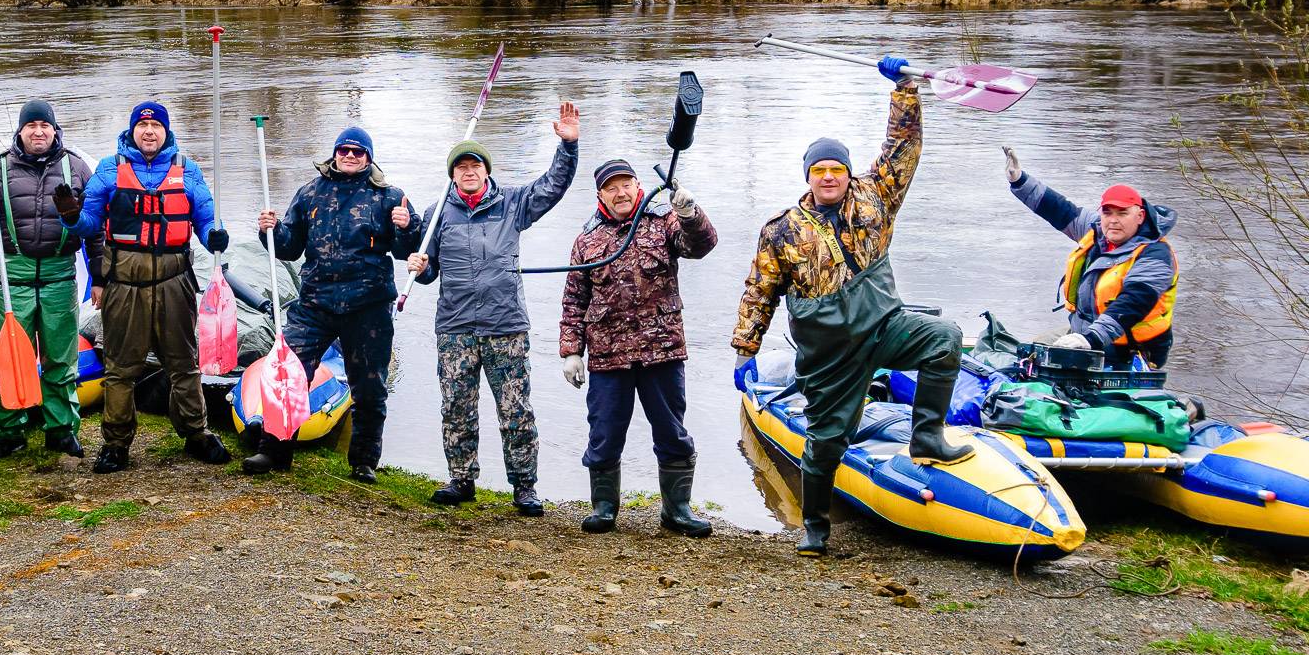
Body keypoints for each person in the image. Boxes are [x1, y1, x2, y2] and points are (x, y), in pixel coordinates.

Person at [731, 58, 973, 557]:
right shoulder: (780, 230)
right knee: (824, 443)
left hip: (884, 326)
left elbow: (903, 148)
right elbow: (760, 289)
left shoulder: (875, 197)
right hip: (830, 353)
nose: (828, 177)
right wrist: (745, 347)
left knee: (945, 339)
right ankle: (815, 526)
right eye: (818, 170)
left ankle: (926, 436)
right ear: (808, 176)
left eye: (835, 169)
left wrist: (905, 89)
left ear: (846, 172)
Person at [406, 102, 579, 516]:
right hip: (455, 328)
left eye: (475, 165)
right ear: (453, 174)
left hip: (506, 326)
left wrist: (568, 147)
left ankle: (524, 486)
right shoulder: (436, 215)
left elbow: (554, 185)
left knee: (515, 409)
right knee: (456, 408)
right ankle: (461, 480)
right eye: (461, 166)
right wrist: (420, 265)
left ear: (486, 170)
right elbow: (427, 275)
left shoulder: (513, 204)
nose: (469, 172)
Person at [251, 126, 422, 480]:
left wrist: (406, 227)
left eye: (357, 152)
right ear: (334, 153)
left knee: (370, 387)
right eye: (343, 150)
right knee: (287, 373)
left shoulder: (391, 197)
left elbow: (410, 253)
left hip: (369, 307)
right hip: (315, 304)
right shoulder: (310, 193)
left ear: (368, 158)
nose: (349, 156)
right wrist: (270, 230)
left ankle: (362, 462)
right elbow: (287, 248)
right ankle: (274, 451)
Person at [558, 159, 718, 536]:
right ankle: (604, 508)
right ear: (600, 195)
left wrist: (690, 213)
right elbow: (573, 299)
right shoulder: (586, 240)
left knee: (671, 430)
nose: (621, 193)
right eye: (611, 188)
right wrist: (570, 351)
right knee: (604, 432)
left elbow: (702, 245)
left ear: (638, 186)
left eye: (626, 184)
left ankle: (676, 510)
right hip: (607, 356)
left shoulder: (663, 223)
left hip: (661, 350)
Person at [75, 100, 231, 473]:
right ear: (132, 131)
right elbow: (86, 224)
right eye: (142, 126)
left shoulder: (187, 171)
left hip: (174, 282)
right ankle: (115, 444)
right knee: (121, 369)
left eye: (156, 126)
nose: (149, 132)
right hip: (124, 285)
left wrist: (216, 235)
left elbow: (207, 219)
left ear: (166, 131)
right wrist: (69, 215)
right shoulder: (110, 169)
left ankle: (196, 433)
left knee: (183, 364)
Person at [0, 101, 105, 460]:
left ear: (55, 130)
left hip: (59, 274)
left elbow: (96, 229)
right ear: (20, 131)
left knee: (60, 358)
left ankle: (61, 430)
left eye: (45, 125)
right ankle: (10, 430)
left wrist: (100, 277)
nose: (38, 131)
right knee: (8, 357)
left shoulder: (76, 167)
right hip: (13, 277)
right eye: (31, 125)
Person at [1002, 146, 1179, 368]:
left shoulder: (1156, 255)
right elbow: (1058, 209)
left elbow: (1132, 304)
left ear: (1140, 216)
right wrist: (1020, 180)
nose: (1113, 220)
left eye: (1122, 213)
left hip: (1130, 352)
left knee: (1051, 367)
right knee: (1032, 352)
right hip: (1086, 333)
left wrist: (1089, 339)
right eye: (1108, 212)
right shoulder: (1097, 229)